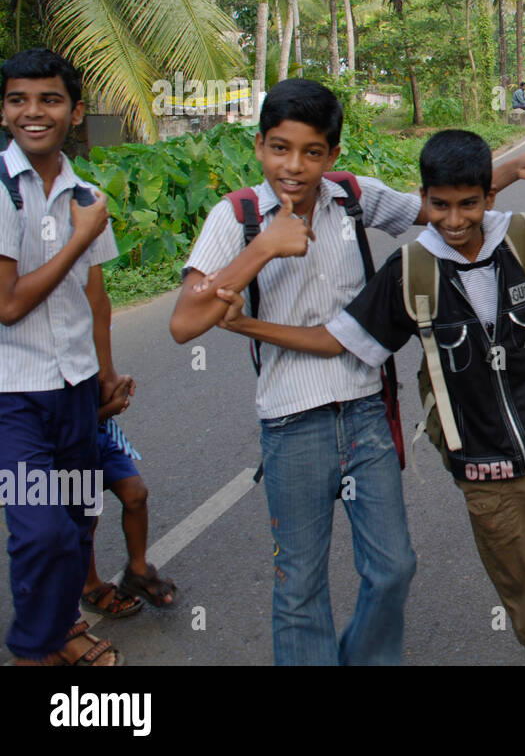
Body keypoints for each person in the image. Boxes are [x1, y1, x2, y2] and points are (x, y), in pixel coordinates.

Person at [213, 133, 525, 666]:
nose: (455, 218)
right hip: (488, 478)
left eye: (469, 203)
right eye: (440, 204)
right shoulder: (409, 270)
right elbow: (338, 339)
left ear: (490, 196)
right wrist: (249, 325)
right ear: (425, 199)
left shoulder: (518, 240)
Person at [170, 78, 426, 666]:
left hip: (365, 412)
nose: (295, 166)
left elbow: (434, 205)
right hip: (291, 425)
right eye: (280, 148)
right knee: (301, 586)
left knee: (393, 567)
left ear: (332, 155)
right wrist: (263, 248)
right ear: (259, 146)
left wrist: (512, 173)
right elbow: (185, 322)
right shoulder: (235, 216)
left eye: (312, 152)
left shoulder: (353, 196)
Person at [0, 47, 132, 666]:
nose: (34, 112)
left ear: (75, 113)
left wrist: (105, 374)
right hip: (14, 395)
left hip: (76, 389)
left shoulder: (87, 194)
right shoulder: (3, 192)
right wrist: (79, 235)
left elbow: (95, 296)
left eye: (49, 99)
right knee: (39, 530)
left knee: (78, 518)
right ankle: (35, 652)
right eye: (18, 99)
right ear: (3, 112)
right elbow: (8, 304)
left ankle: (63, 629)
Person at [81, 403, 177, 618]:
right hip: (70, 442)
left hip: (99, 432)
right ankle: (90, 586)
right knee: (86, 517)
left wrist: (118, 386)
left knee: (135, 495)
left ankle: (137, 570)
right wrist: (110, 406)